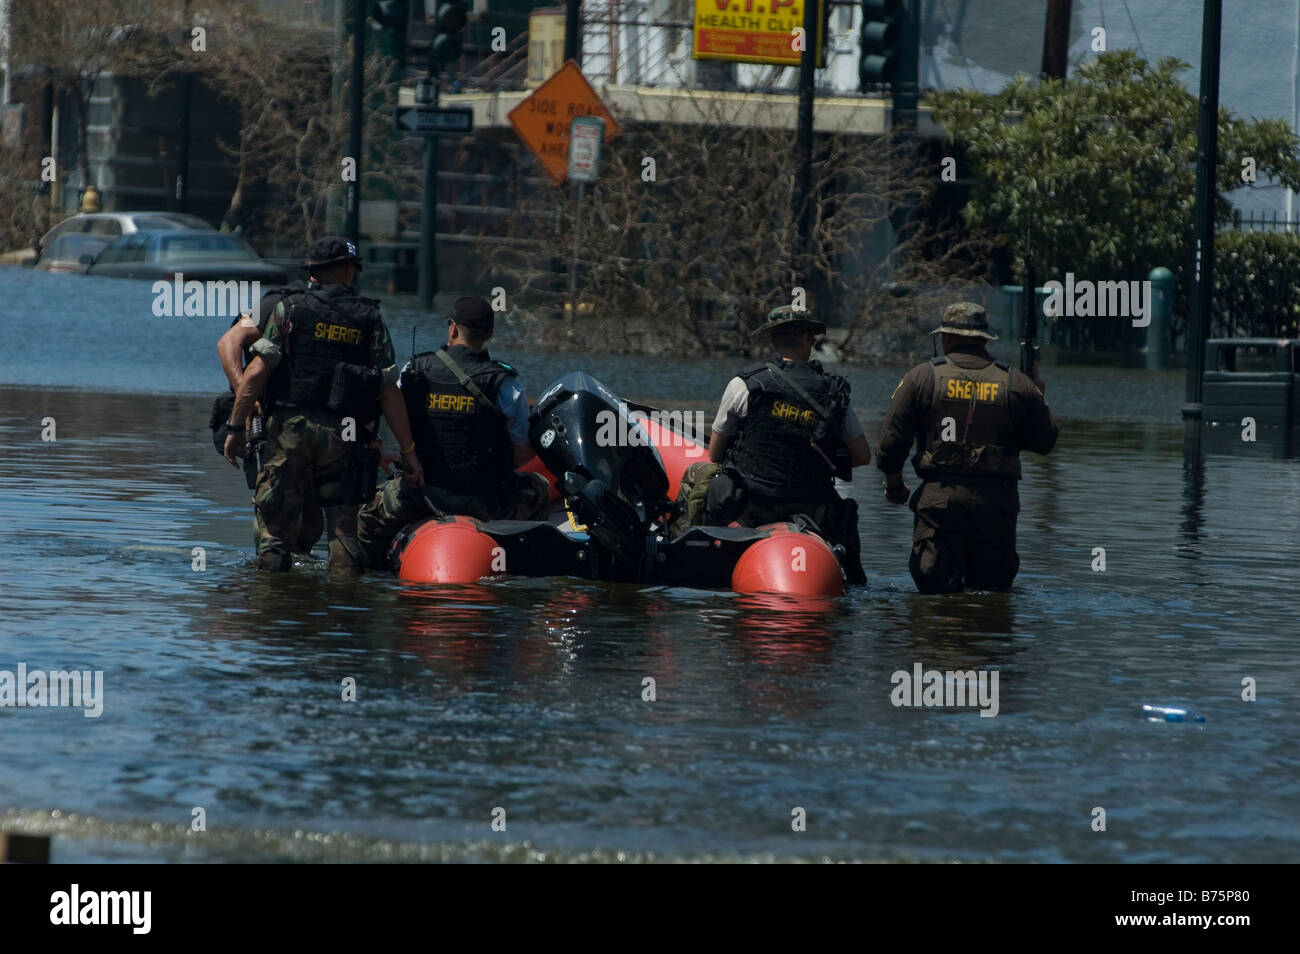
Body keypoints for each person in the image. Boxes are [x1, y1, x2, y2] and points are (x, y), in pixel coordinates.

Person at [222, 236, 424, 573]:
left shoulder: (290, 309)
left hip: (289, 430)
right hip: (345, 436)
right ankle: (341, 612)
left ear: (313, 272)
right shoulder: (370, 318)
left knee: (274, 533)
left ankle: (269, 608)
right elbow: (389, 390)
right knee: (344, 533)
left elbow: (256, 371)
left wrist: (235, 426)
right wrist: (409, 451)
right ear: (346, 270)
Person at [876, 301, 1059, 593]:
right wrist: (1038, 393)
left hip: (940, 502)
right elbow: (1046, 441)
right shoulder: (1017, 383)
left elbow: (890, 442)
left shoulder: (922, 377)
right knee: (991, 595)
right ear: (985, 340)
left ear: (946, 338)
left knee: (935, 595)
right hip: (997, 506)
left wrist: (894, 484)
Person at [356, 296, 550, 567]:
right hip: (485, 500)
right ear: (490, 334)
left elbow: (389, 410)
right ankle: (517, 557)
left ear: (453, 329)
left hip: (421, 494)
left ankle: (376, 572)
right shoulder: (506, 383)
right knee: (540, 487)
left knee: (366, 518)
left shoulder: (415, 370)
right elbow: (521, 456)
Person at [702, 304, 872, 585]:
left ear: (772, 339)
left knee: (704, 483)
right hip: (815, 507)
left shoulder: (745, 384)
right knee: (846, 517)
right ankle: (851, 581)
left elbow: (715, 453)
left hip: (751, 507)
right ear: (805, 338)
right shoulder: (833, 392)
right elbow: (863, 456)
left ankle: (706, 565)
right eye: (813, 339)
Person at [211, 278, 323, 556]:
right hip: (269, 421)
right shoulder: (278, 304)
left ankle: (291, 584)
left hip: (311, 429)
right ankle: (270, 588)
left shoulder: (341, 312)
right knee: (273, 518)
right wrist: (244, 399)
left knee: (307, 527)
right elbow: (228, 343)